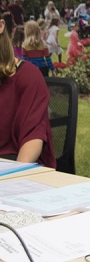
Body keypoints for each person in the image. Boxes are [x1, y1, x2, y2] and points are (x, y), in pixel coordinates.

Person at [0, 16, 56, 167]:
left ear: (1, 26)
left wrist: (14, 176)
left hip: (15, 167)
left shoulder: (29, 77)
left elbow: (32, 138)